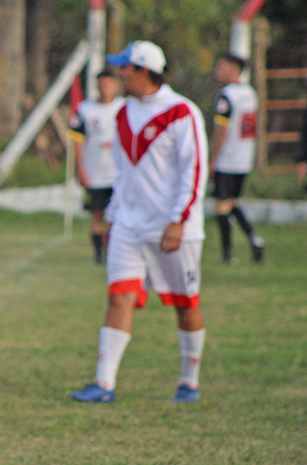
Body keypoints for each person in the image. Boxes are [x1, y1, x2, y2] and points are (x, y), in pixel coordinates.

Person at [70, 40, 208, 404]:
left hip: (173, 228)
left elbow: (194, 171)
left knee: (185, 303)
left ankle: (189, 381)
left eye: (125, 68)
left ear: (144, 70)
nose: (119, 74)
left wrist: (179, 220)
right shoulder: (123, 112)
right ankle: (104, 383)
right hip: (130, 225)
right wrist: (114, 216)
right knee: (119, 297)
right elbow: (124, 174)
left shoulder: (182, 112)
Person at [209, 53, 264, 264]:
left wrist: (213, 159)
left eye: (221, 66)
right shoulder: (250, 93)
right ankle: (254, 238)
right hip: (245, 158)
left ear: (233, 68)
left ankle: (228, 254)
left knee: (221, 206)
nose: (217, 71)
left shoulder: (226, 95)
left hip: (228, 158)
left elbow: (222, 130)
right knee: (231, 202)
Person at [67, 71, 124, 264]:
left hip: (118, 174)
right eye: (101, 85)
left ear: (115, 86)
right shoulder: (85, 109)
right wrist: (80, 168)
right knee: (97, 215)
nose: (105, 89)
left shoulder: (124, 107)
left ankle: (113, 252)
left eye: (108, 84)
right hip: (95, 172)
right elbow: (77, 141)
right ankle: (99, 255)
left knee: (116, 217)